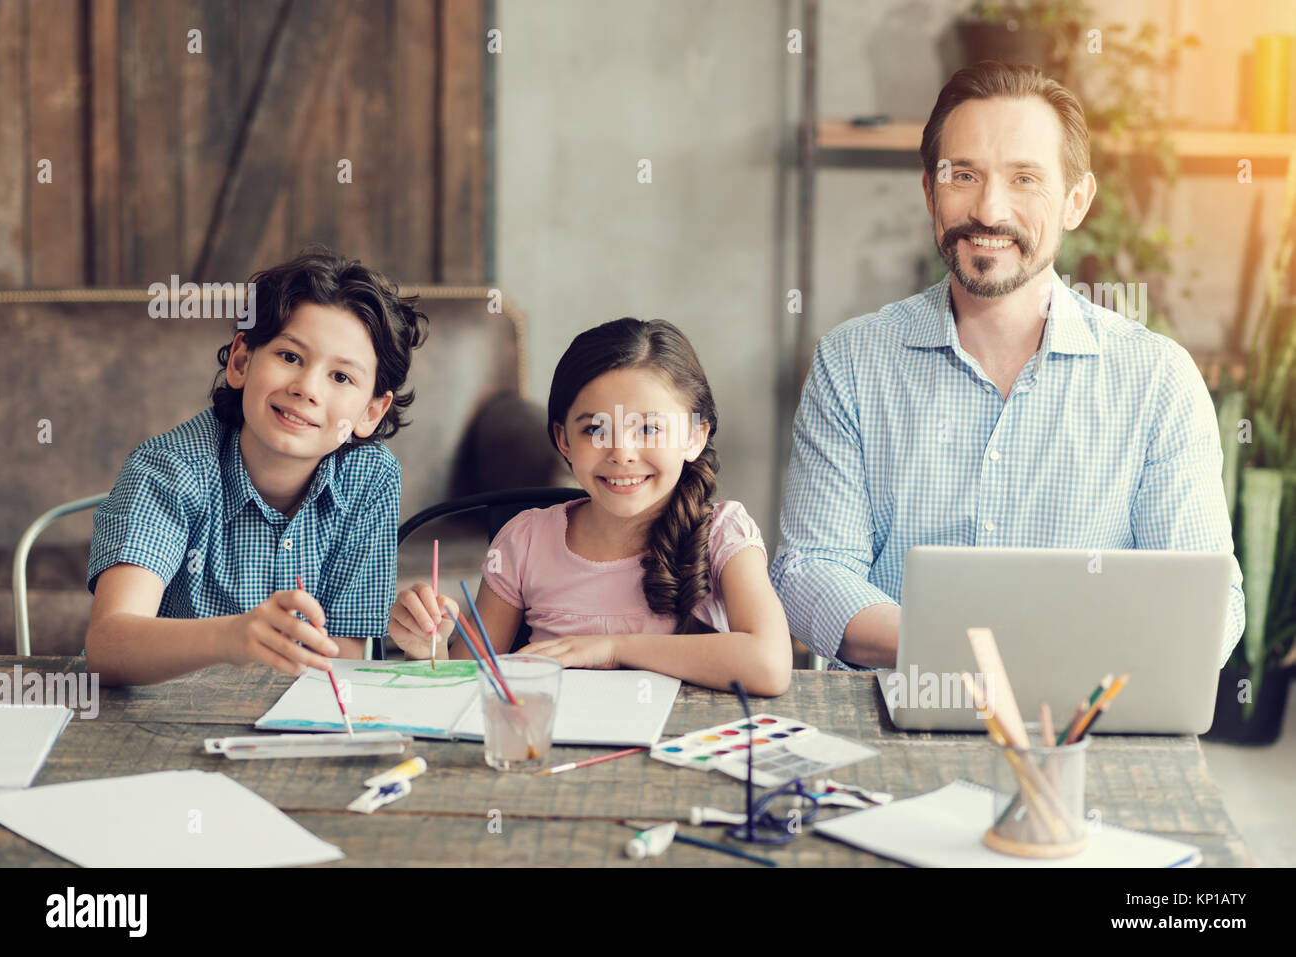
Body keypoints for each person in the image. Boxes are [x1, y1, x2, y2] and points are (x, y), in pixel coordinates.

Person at [770, 60, 1244, 671]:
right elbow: (811, 573)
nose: (989, 210)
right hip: (891, 722)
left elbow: (1209, 602)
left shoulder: (1159, 381)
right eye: (963, 174)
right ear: (929, 191)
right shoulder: (850, 363)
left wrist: (1050, 659)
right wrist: (978, 652)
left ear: (1076, 201)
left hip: (1086, 726)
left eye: (1024, 179)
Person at [389, 318, 792, 697]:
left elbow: (770, 666)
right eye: (596, 429)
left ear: (694, 436)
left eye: (649, 428)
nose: (622, 453)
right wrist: (427, 648)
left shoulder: (724, 534)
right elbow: (466, 680)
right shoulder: (525, 540)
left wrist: (612, 649)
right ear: (564, 441)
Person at [85, 248, 428, 685]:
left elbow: (343, 661)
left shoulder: (372, 479)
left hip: (291, 728)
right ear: (242, 361)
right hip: (161, 721)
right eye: (289, 356)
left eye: (341, 377)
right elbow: (108, 645)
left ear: (371, 413)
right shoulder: (169, 468)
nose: (306, 388)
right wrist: (232, 637)